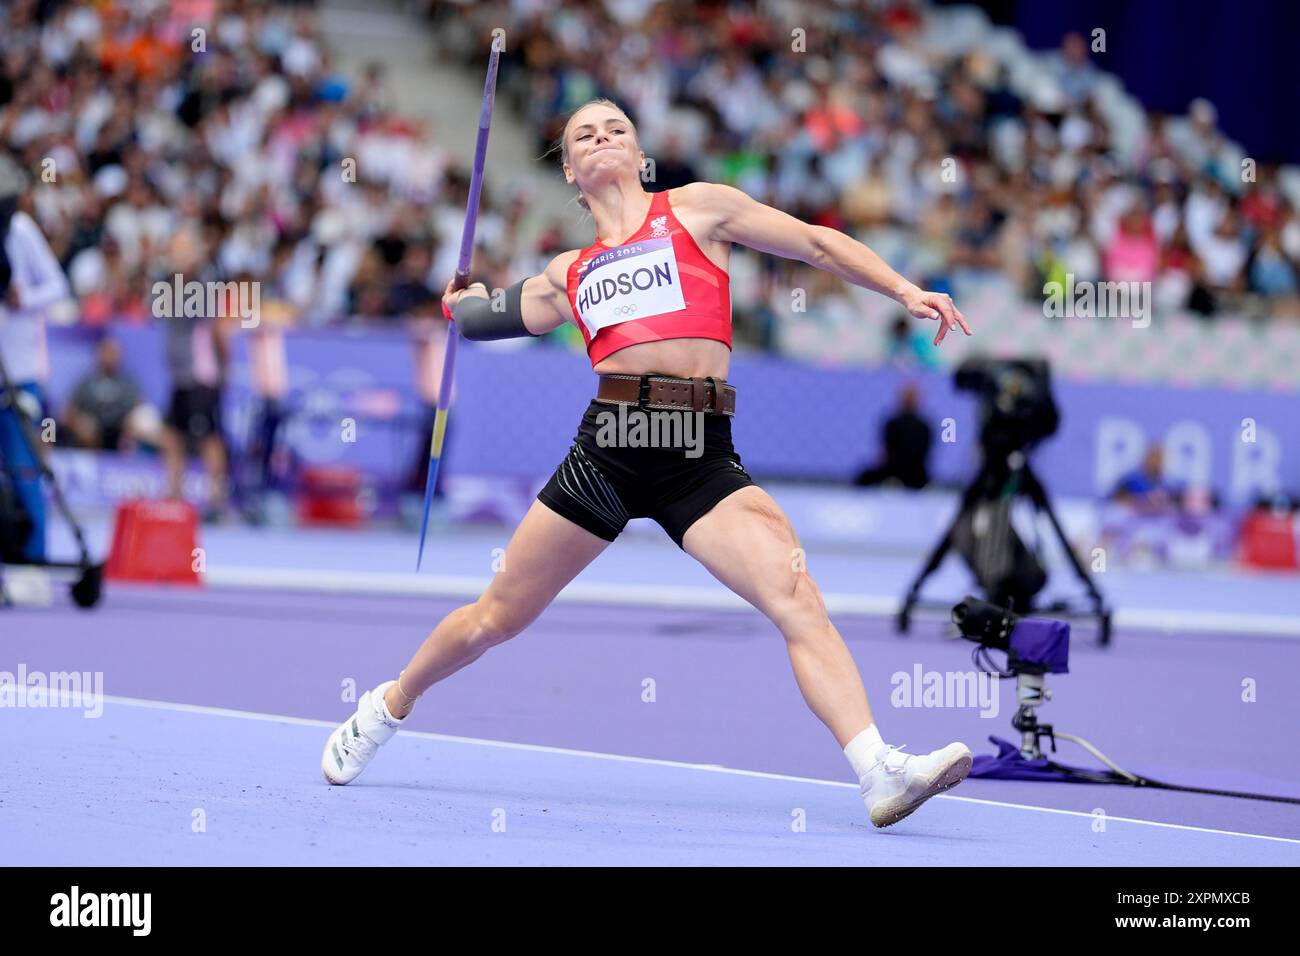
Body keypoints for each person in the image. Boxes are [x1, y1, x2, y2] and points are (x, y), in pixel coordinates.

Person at [322, 99, 974, 828]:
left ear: (639, 156)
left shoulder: (700, 210)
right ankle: (387, 705)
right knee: (494, 617)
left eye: (616, 129)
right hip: (610, 446)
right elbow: (487, 319)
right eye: (583, 135)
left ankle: (877, 769)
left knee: (796, 595)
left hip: (699, 452)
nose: (601, 138)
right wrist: (462, 302)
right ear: (571, 171)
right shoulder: (569, 271)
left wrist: (904, 289)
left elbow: (816, 245)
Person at [0, 159, 73, 563]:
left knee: (24, 467)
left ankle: (34, 560)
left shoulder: (22, 231)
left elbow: (58, 285)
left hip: (20, 372)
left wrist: (23, 298)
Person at [64, 337, 166, 452]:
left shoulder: (128, 382)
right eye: (107, 352)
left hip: (120, 428)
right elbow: (69, 410)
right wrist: (80, 422)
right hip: (94, 428)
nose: (110, 357)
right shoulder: (87, 381)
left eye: (114, 353)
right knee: (87, 429)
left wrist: (129, 425)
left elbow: (138, 405)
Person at [853, 384, 932, 490]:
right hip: (916, 474)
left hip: (896, 471)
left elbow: (885, 453)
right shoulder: (925, 425)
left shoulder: (894, 423)